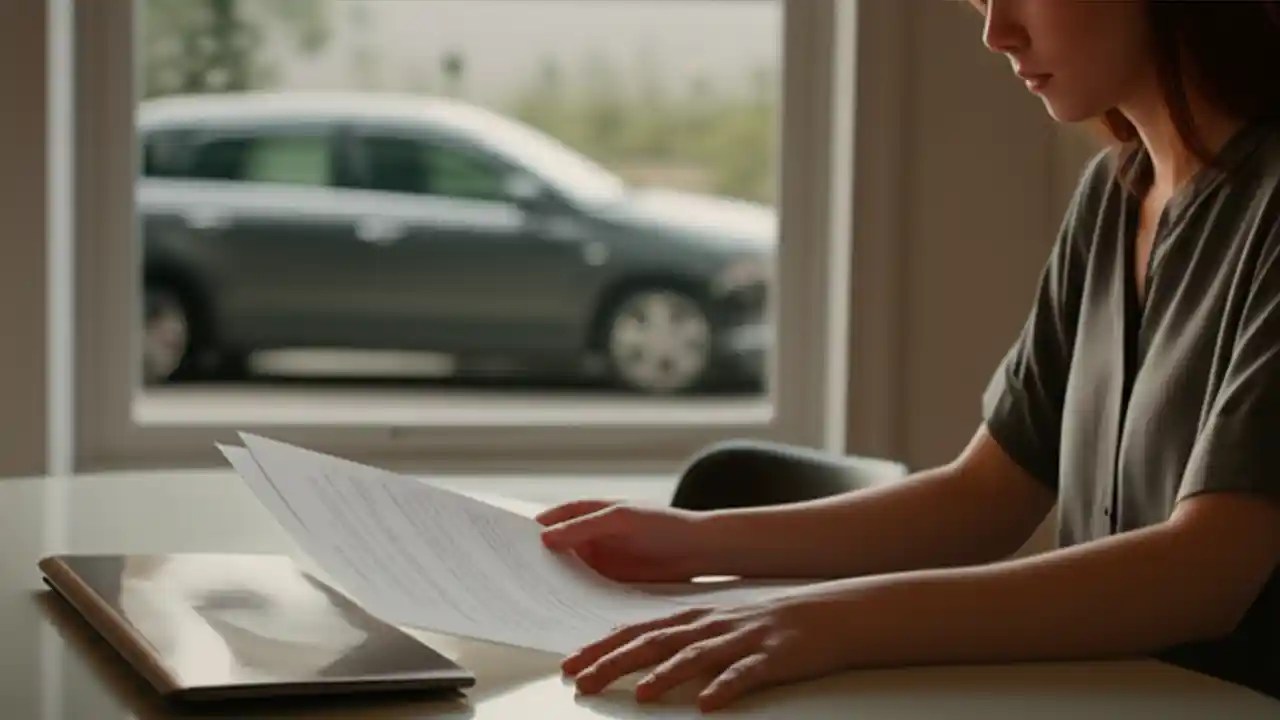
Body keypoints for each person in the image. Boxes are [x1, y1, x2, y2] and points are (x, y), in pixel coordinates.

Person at [538, 0, 1280, 712]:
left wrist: (832, 621)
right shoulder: (1114, 197)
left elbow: (1207, 570)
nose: (997, 32)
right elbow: (985, 496)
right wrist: (691, 542)